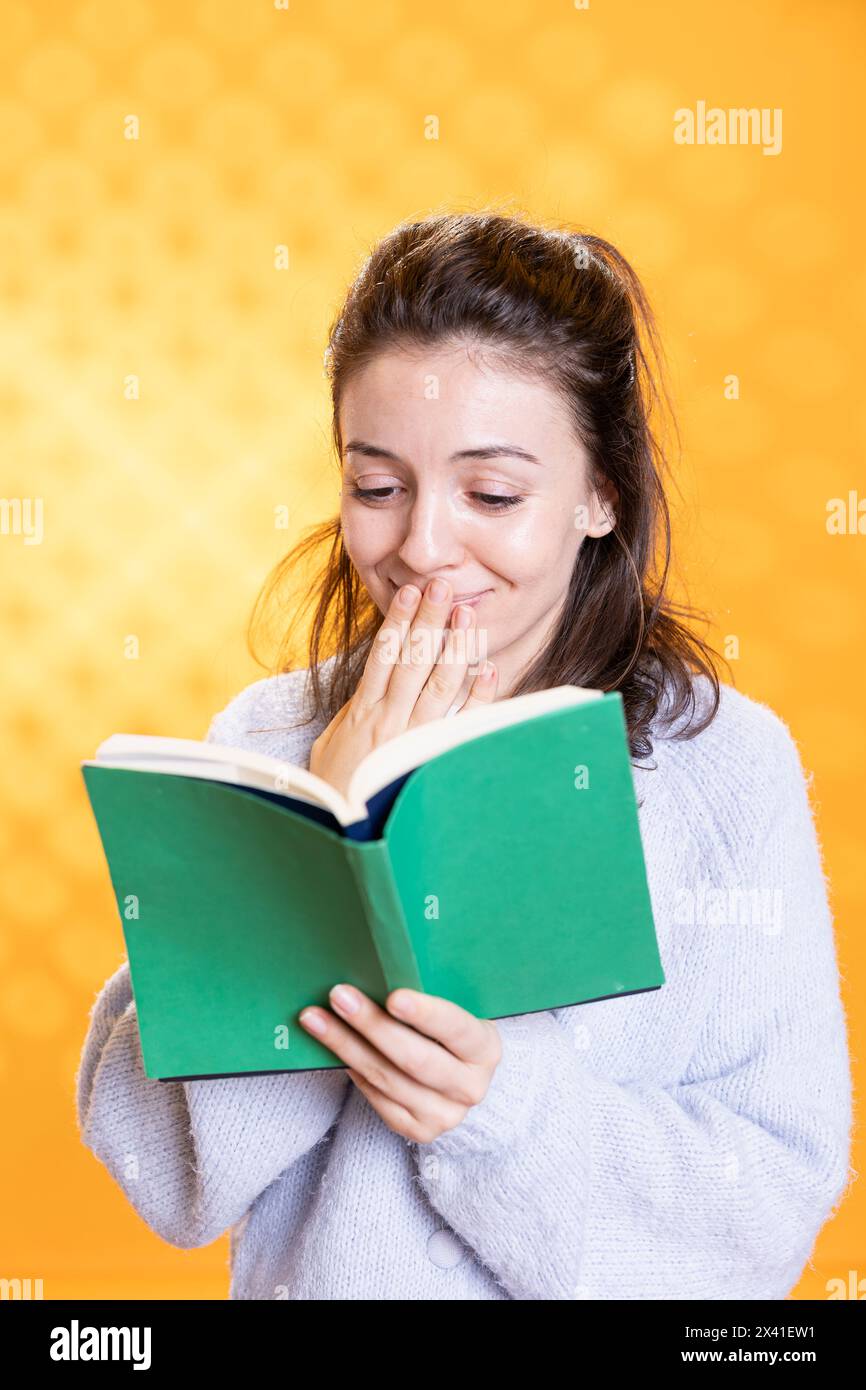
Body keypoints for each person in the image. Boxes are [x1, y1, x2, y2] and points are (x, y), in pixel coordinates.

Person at [76, 211, 853, 1300]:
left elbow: (767, 1204)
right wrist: (316, 827)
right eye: (376, 486)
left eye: (490, 494)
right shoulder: (268, 738)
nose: (423, 547)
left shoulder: (721, 768)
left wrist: (499, 1115)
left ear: (600, 496)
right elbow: (161, 1175)